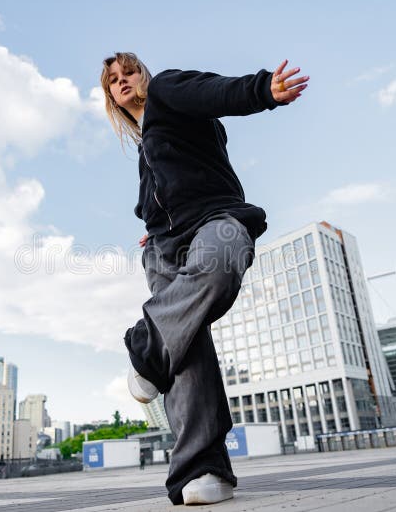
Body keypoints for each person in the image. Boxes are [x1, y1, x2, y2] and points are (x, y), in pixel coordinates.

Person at [100, 53, 307, 505]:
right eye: (113, 80)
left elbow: (213, 90)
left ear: (144, 75)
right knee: (187, 348)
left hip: (214, 220)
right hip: (164, 247)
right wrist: (152, 224)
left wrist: (261, 91)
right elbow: (155, 196)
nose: (123, 82)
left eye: (129, 72)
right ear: (110, 96)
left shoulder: (169, 92)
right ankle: (202, 471)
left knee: (224, 252)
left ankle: (146, 348)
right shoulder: (144, 145)